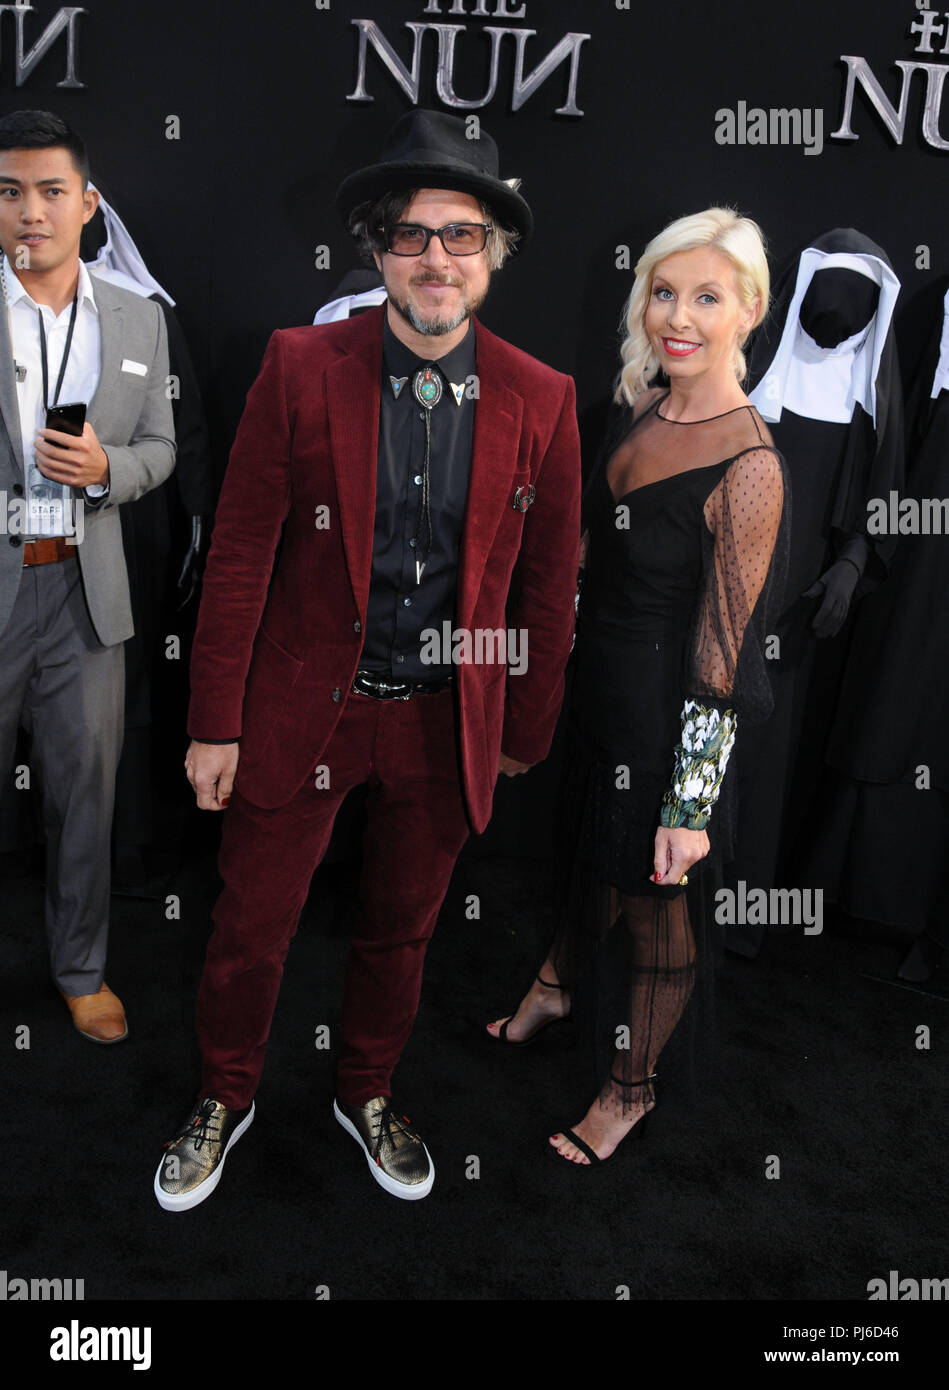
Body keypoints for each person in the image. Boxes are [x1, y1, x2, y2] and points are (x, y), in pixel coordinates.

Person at [155, 109, 581, 1208]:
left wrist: (522, 727)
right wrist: (215, 721)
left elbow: (541, 583)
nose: (435, 256)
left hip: (444, 721)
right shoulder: (299, 366)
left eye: (461, 234)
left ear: (493, 253)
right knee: (250, 925)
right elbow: (241, 548)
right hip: (304, 707)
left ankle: (366, 1089)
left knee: (402, 929)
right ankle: (225, 1093)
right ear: (375, 250)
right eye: (409, 234)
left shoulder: (543, 397)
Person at [488, 207, 787, 1165]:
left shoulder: (751, 464)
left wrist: (690, 803)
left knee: (659, 908)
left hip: (668, 718)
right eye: (663, 291)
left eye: (705, 296)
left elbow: (724, 646)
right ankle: (557, 981)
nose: (677, 315)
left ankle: (630, 1088)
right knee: (585, 857)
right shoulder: (640, 407)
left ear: (749, 310)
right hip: (598, 695)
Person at [0, 109, 176, 1042]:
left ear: (87, 204)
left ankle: (80, 969)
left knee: (84, 796)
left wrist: (107, 471)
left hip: (84, 590)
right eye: (9, 191)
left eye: (50, 191)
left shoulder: (136, 316)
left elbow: (163, 448)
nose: (30, 210)